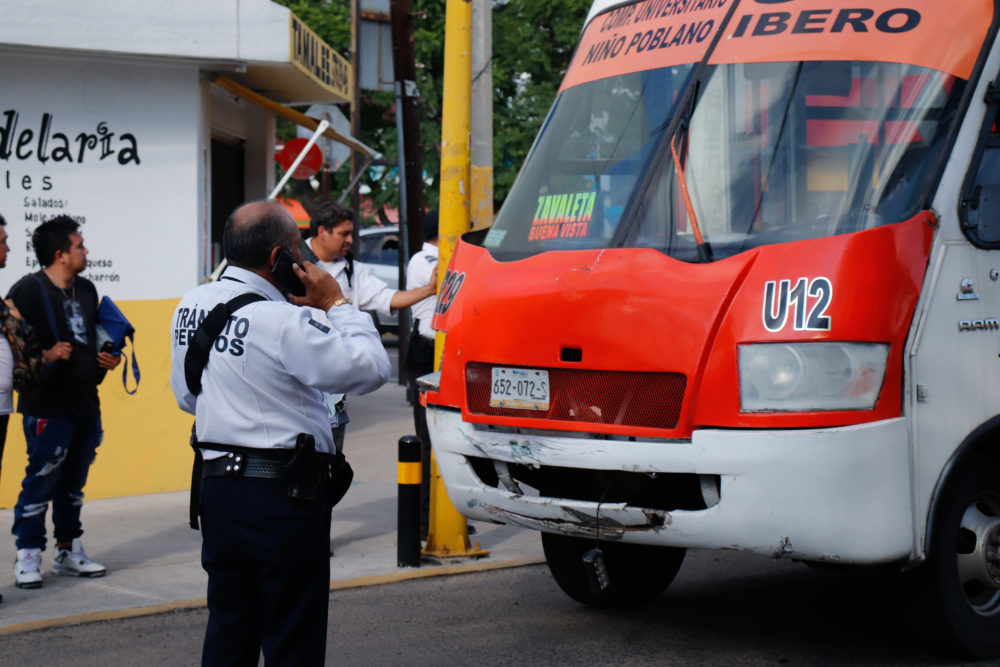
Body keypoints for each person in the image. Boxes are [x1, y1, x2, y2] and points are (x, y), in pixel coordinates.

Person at [169, 200, 390, 665]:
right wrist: (338, 303)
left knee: (229, 631)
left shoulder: (190, 304)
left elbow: (189, 398)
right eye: (298, 248)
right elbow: (371, 368)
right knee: (293, 641)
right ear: (278, 258)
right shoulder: (286, 320)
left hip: (219, 493)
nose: (306, 258)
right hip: (281, 500)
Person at [8, 215, 122, 589]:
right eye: (79, 245)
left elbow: (93, 340)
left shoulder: (86, 290)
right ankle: (27, 554)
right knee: (40, 479)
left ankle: (68, 551)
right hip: (47, 407)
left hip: (85, 403)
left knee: (73, 485)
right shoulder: (27, 290)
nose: (85, 250)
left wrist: (109, 359)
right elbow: (13, 349)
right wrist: (46, 355)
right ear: (60, 254)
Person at [300, 201, 437, 449]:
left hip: (333, 387)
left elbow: (389, 299)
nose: (350, 240)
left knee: (331, 459)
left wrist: (429, 289)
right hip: (299, 378)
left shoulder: (353, 270)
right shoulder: (296, 264)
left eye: (350, 233)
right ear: (322, 232)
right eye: (344, 234)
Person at [405, 210, 439, 527]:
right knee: (427, 436)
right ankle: (426, 517)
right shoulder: (424, 261)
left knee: (443, 436)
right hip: (427, 351)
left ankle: (439, 513)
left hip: (439, 352)